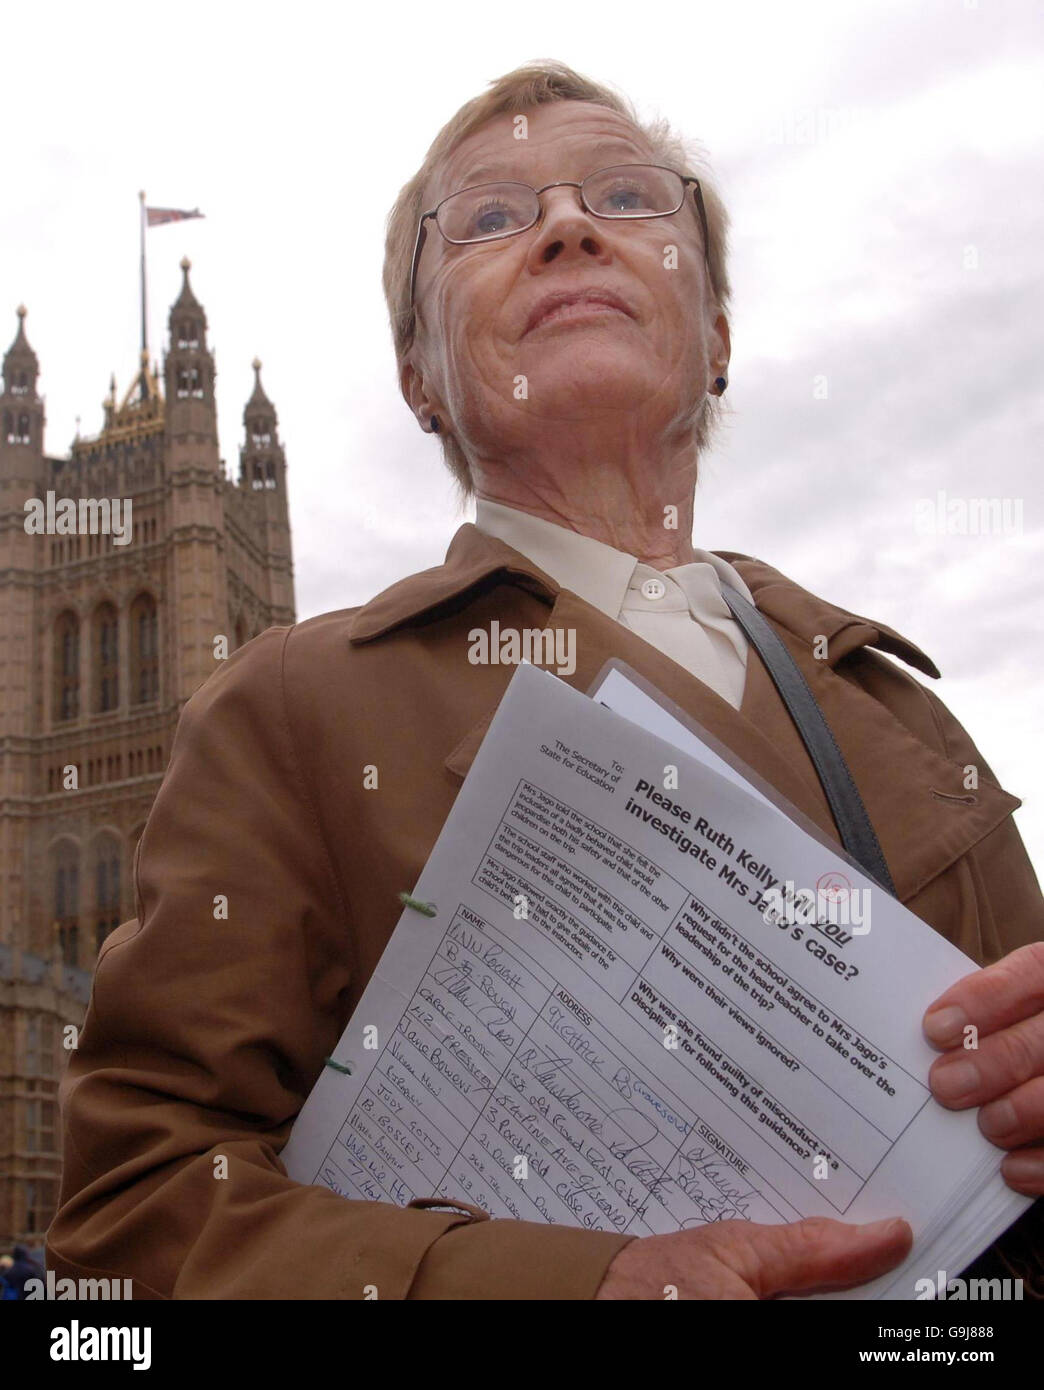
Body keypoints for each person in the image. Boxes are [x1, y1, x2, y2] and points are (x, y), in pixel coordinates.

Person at [48, 60, 1042, 1300]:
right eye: (491, 220)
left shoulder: (900, 707)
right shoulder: (293, 711)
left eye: (629, 198)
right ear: (420, 376)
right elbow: (132, 1216)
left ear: (718, 332)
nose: (569, 225)